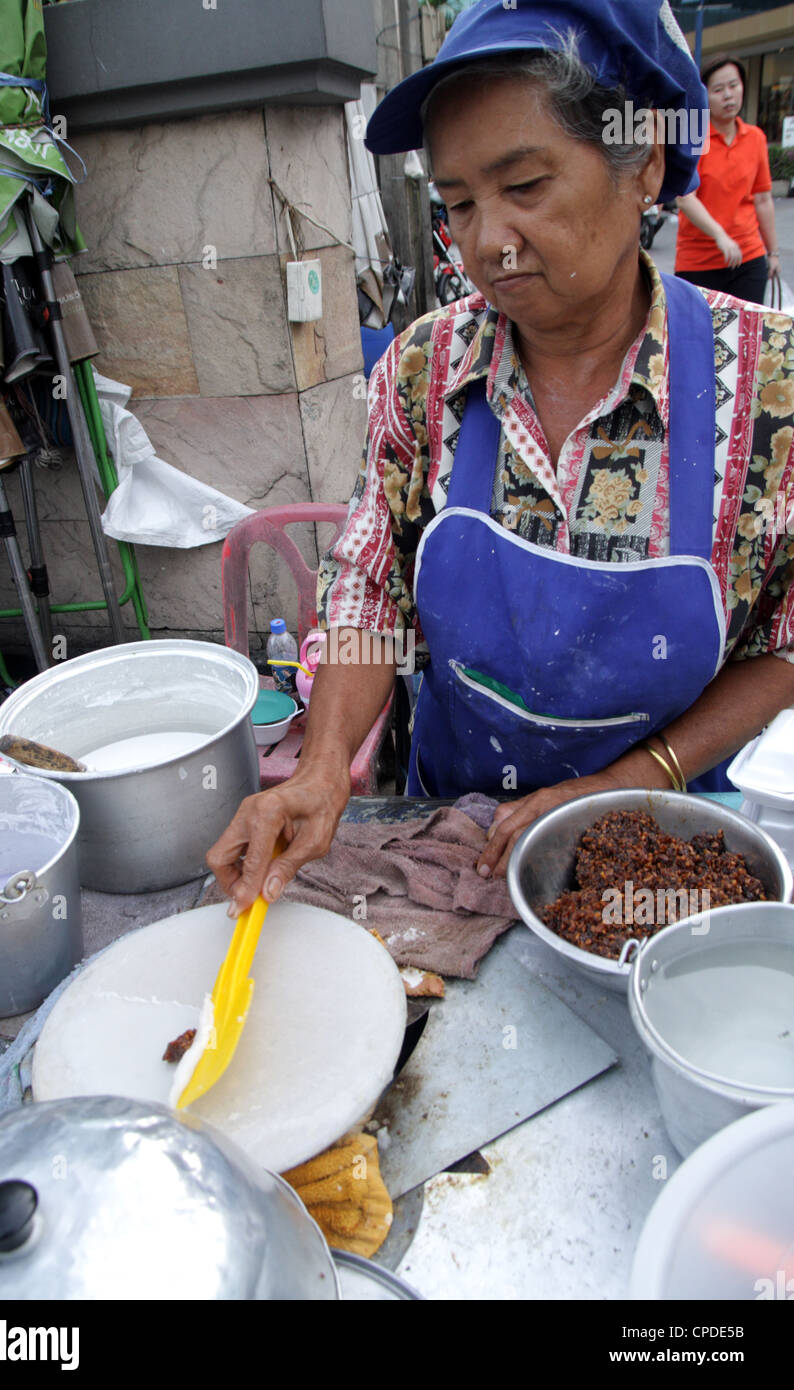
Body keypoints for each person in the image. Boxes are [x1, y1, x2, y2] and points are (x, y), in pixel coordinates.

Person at [208, 0, 794, 917]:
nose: (488, 241)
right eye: (458, 203)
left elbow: (787, 640)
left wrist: (631, 782)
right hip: (456, 833)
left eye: (525, 186)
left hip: (663, 848)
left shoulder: (769, 387)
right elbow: (372, 582)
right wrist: (323, 767)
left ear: (641, 163)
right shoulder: (426, 367)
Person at [675, 54, 779, 305]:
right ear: (704, 96)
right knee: (700, 339)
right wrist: (720, 235)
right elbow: (685, 199)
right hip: (698, 263)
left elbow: (763, 199)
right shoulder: (693, 137)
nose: (728, 95)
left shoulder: (755, 138)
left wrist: (772, 253)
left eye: (734, 85)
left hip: (748, 258)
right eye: (718, 89)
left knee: (747, 338)